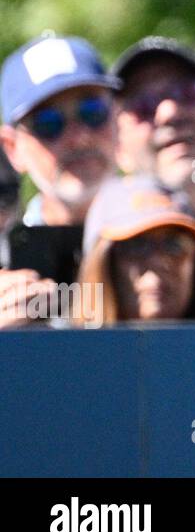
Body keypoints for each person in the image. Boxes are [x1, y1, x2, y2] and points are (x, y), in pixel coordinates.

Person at [111, 36, 195, 319]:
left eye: (187, 93)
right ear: (118, 147)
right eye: (143, 107)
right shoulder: (104, 260)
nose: (169, 113)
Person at [0, 35, 120, 328]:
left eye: (92, 112)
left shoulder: (186, 240)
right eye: (48, 123)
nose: (79, 138)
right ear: (12, 147)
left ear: (118, 117)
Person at [76, 174, 195, 325]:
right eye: (135, 246)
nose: (158, 261)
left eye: (174, 246)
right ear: (100, 263)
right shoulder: (60, 346)